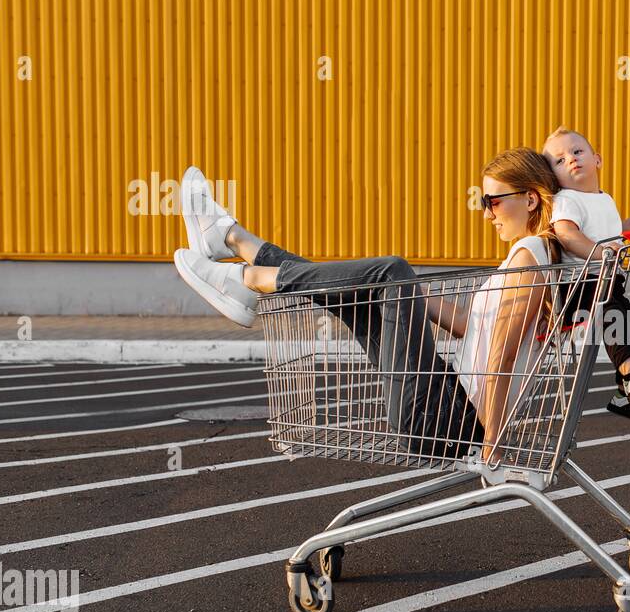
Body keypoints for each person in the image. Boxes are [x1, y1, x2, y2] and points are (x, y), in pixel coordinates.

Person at [172, 148, 566, 462]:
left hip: (447, 418)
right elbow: (472, 326)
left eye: (493, 201)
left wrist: (492, 444)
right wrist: (407, 295)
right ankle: (234, 239)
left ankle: (247, 276)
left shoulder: (529, 257)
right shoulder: (528, 257)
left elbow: (500, 357)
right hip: (444, 403)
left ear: (530, 199)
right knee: (360, 289)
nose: (485, 213)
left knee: (391, 270)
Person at [541, 126, 630, 416]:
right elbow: (567, 235)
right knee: (614, 318)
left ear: (597, 160)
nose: (571, 159)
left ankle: (627, 391)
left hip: (605, 281)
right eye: (559, 160)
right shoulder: (566, 200)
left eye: (577, 151)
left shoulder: (604, 199)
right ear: (553, 177)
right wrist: (601, 252)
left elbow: (615, 233)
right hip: (578, 284)